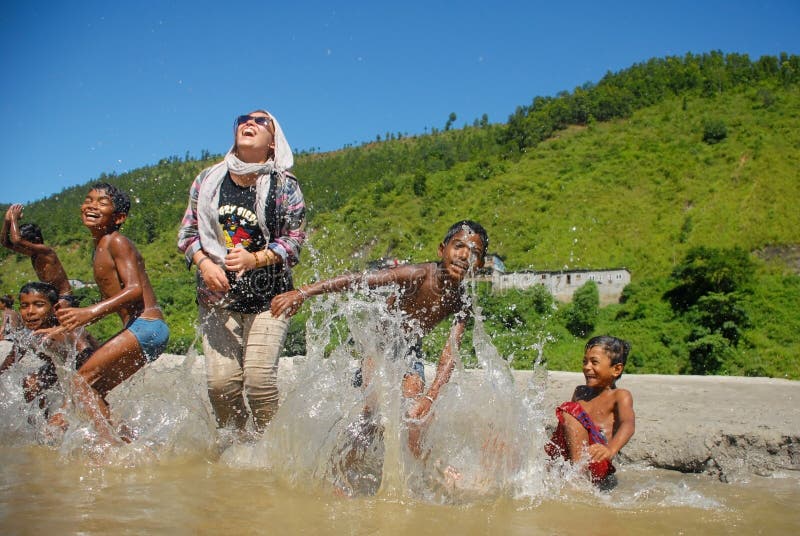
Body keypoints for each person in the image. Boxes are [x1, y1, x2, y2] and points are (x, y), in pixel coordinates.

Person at [271, 220, 489, 456]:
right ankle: (341, 465)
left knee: (417, 413)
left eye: (475, 252)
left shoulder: (462, 300)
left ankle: (422, 473)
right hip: (379, 344)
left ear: (481, 264)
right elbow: (357, 280)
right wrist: (303, 292)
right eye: (459, 246)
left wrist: (431, 396)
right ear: (441, 249)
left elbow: (451, 352)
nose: (465, 255)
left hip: (410, 348)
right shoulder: (418, 275)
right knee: (374, 412)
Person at [177, 109, 306, 434]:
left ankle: (269, 449)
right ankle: (236, 451)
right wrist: (205, 264)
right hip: (216, 298)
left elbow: (294, 241)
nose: (249, 123)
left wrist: (256, 259)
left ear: (273, 143)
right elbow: (188, 234)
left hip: (269, 299)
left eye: (261, 121)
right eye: (243, 119)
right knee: (222, 385)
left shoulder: (284, 186)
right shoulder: (207, 180)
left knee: (259, 381)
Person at [51, 182, 169, 442]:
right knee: (91, 391)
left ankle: (109, 450)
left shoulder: (117, 241)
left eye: (102, 202)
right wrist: (66, 325)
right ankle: (130, 444)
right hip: (144, 330)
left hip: (146, 326)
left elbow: (135, 289)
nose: (92, 205)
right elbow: (114, 299)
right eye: (88, 199)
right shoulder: (100, 246)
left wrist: (88, 313)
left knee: (79, 383)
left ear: (119, 217)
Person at [545, 335, 635, 487]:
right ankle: (560, 471)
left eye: (594, 362)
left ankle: (577, 479)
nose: (587, 367)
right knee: (567, 413)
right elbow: (569, 429)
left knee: (569, 409)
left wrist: (610, 449)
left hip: (597, 462)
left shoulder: (620, 396)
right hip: (574, 459)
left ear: (616, 369)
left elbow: (628, 424)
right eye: (585, 361)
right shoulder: (580, 392)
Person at [0, 282, 97, 407]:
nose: (30, 311)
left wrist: (68, 401)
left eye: (39, 305)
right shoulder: (28, 334)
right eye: (24, 306)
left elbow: (90, 360)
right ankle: (39, 423)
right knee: (31, 383)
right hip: (59, 370)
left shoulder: (67, 330)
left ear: (54, 308)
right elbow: (12, 359)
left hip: (88, 371)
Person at [1, 204, 73, 307]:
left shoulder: (45, 251)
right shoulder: (33, 253)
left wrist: (14, 218)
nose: (23, 248)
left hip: (65, 298)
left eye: (25, 244)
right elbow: (5, 243)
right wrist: (7, 222)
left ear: (37, 241)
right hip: (52, 298)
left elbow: (17, 240)